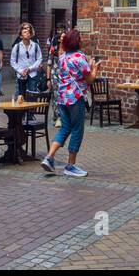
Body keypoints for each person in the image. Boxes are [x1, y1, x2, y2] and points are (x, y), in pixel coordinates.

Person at [41, 29, 96, 177]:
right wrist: (95, 68)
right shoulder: (79, 58)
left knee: (65, 128)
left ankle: (49, 157)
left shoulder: (63, 57)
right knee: (77, 130)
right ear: (76, 42)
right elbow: (89, 79)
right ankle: (70, 166)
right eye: (80, 39)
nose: (82, 41)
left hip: (61, 98)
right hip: (75, 98)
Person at [10, 22, 43, 99]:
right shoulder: (17, 46)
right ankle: (21, 111)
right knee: (20, 96)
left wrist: (30, 68)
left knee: (32, 96)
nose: (27, 32)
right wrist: (20, 70)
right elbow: (13, 61)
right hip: (21, 75)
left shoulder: (35, 46)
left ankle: (31, 111)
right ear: (21, 35)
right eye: (25, 31)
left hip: (32, 74)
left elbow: (39, 59)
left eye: (28, 31)